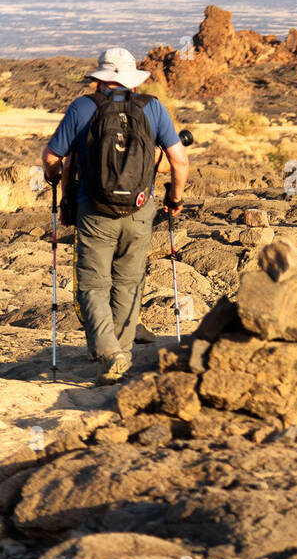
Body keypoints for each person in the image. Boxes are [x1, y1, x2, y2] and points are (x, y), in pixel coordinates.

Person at [42, 48, 189, 384]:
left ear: (100, 79)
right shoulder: (151, 107)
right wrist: (175, 197)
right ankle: (118, 356)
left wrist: (56, 181)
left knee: (93, 285)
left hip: (94, 212)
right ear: (132, 81)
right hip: (140, 210)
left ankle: (111, 355)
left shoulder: (83, 107)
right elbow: (179, 162)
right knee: (128, 284)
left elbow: (53, 156)